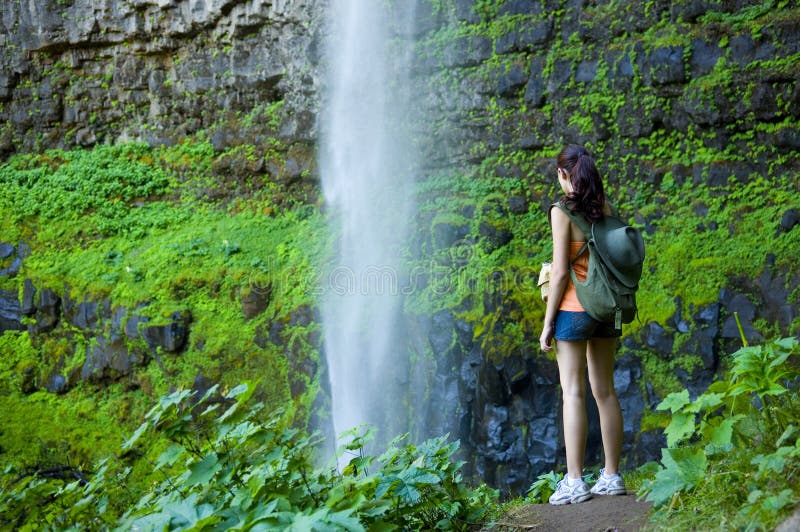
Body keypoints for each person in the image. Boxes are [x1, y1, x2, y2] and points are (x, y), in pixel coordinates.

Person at [539, 145, 627, 505]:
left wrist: (548, 325)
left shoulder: (562, 212)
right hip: (605, 308)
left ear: (564, 175)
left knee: (573, 392)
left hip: (575, 311)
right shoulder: (605, 209)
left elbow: (560, 273)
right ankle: (611, 475)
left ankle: (575, 481)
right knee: (604, 391)